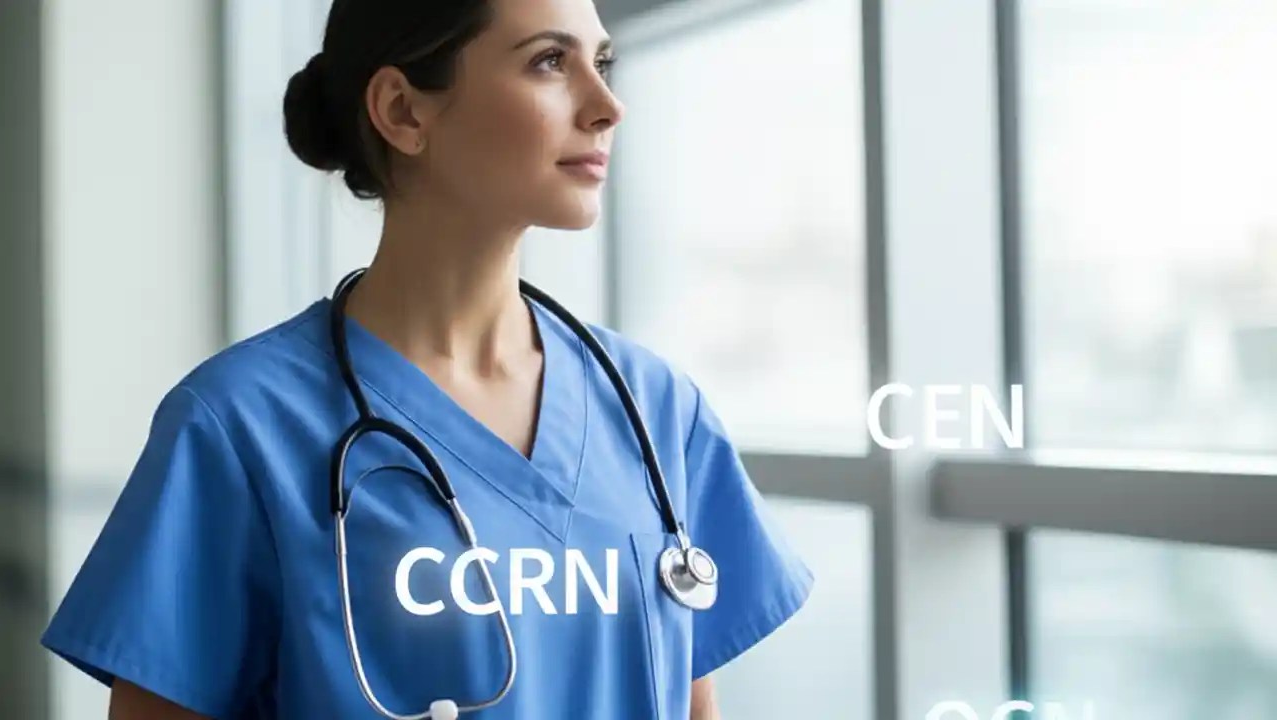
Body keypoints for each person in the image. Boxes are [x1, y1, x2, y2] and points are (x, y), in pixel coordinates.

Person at [40, 0, 814, 717]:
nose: (608, 105)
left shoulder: (655, 408)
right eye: (550, 61)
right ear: (403, 111)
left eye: (601, 64)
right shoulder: (238, 427)